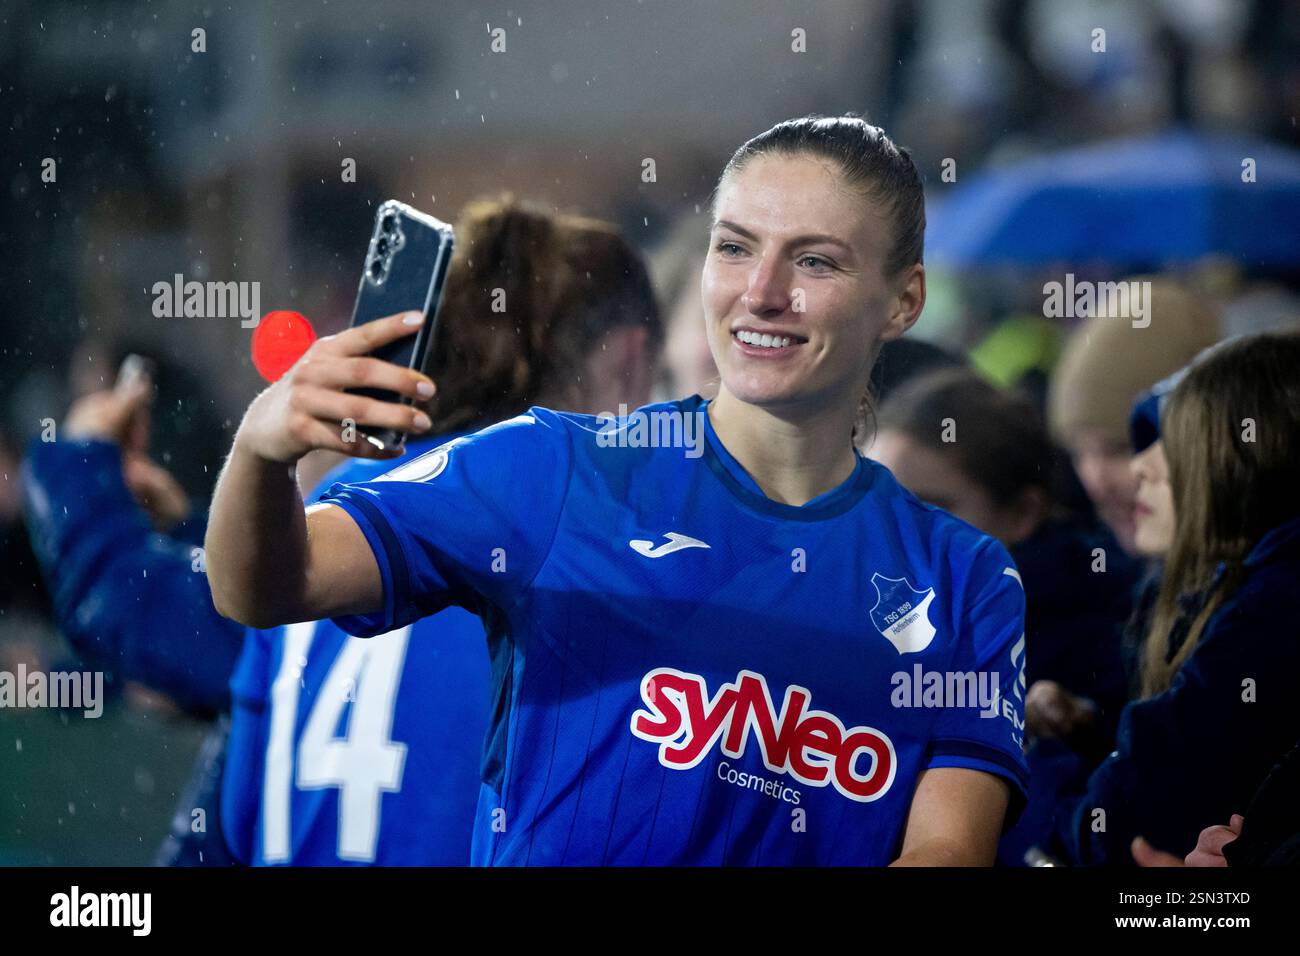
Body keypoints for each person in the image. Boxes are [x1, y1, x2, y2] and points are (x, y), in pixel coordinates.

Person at [205, 114, 1029, 866]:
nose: (761, 292)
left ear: (905, 299)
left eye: (813, 260)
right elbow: (268, 585)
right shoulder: (554, 468)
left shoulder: (964, 579)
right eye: (735, 247)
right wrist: (261, 451)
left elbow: (947, 854)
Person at [22, 193, 660, 865]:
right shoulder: (582, 559)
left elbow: (160, 617)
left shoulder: (347, 511)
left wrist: (91, 475)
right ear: (626, 360)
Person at [1061, 332, 1300, 865]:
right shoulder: (1218, 596)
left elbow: (1126, 824)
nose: (1140, 468)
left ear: (1253, 461)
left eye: (1175, 442)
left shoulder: (1272, 608)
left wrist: (1053, 771)